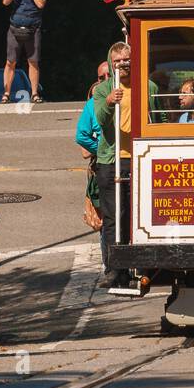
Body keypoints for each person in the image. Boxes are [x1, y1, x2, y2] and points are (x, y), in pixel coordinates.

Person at [93, 41, 133, 286]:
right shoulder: (103, 89)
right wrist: (109, 101)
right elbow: (99, 118)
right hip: (111, 159)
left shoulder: (145, 85)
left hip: (138, 158)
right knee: (112, 217)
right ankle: (114, 268)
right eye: (117, 61)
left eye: (126, 59)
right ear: (111, 63)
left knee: (132, 216)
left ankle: (132, 265)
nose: (122, 64)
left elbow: (159, 116)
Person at [75, 62, 110, 267]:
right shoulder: (91, 107)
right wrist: (104, 149)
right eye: (101, 77)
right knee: (104, 220)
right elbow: (84, 149)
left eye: (108, 76)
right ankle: (108, 264)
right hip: (100, 170)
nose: (105, 80)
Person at [2, 0, 47, 104]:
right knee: (10, 62)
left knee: (33, 62)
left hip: (33, 30)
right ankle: (6, 93)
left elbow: (41, 4)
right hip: (15, 29)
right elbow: (5, 2)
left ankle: (34, 93)